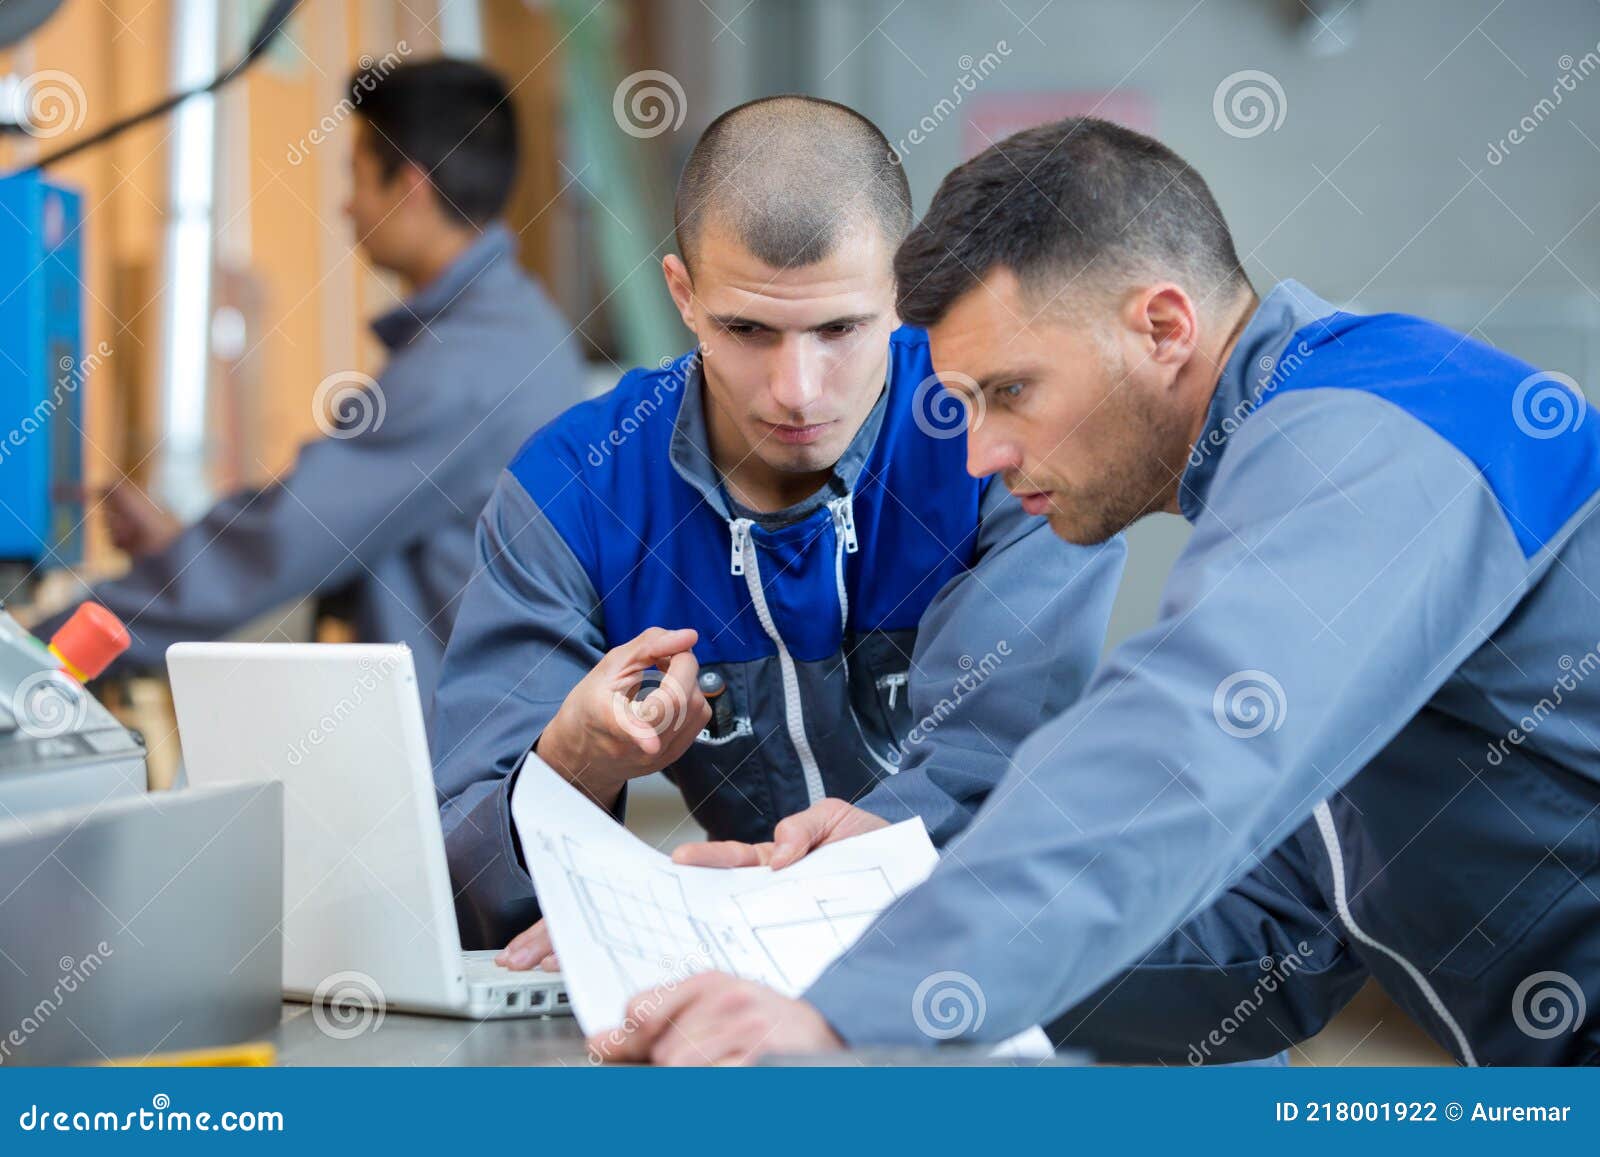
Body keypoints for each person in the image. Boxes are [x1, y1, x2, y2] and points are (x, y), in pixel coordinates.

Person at [591, 116, 1600, 1067]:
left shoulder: (1374, 436)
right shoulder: (1295, 457)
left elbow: (1181, 744)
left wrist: (848, 1015)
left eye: (1011, 390)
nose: (981, 453)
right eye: (962, 403)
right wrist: (813, 940)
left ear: (1161, 326)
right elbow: (1268, 929)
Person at [427, 96, 1126, 956]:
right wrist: (574, 761)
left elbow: (1001, 774)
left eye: (840, 327)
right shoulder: (573, 493)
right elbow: (458, 888)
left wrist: (748, 908)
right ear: (682, 293)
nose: (797, 388)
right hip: (764, 999)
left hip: (1033, 970)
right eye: (747, 329)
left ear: (903, 287)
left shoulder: (1003, 437)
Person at [34, 58, 587, 700]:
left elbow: (282, 545)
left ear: (409, 188)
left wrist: (44, 651)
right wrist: (182, 547)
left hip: (463, 767)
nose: (346, 206)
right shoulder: (515, 325)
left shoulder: (463, 365)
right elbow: (316, 531)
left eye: (355, 178)